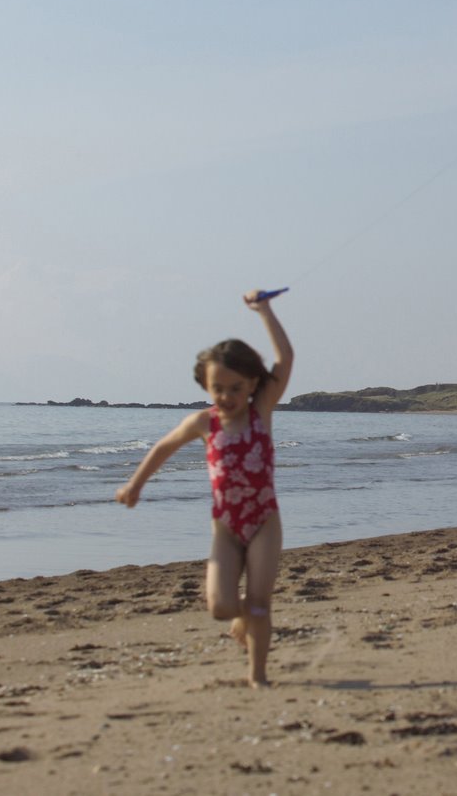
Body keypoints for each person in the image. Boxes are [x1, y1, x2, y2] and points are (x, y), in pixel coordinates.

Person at [115, 290, 293, 687]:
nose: (226, 396)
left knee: (260, 606)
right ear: (205, 385)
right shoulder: (203, 423)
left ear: (251, 384)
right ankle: (237, 623)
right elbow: (164, 447)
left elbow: (285, 358)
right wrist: (135, 485)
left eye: (235, 388)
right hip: (226, 528)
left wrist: (264, 311)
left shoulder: (261, 410)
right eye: (218, 388)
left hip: (264, 520)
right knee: (221, 606)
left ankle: (258, 676)